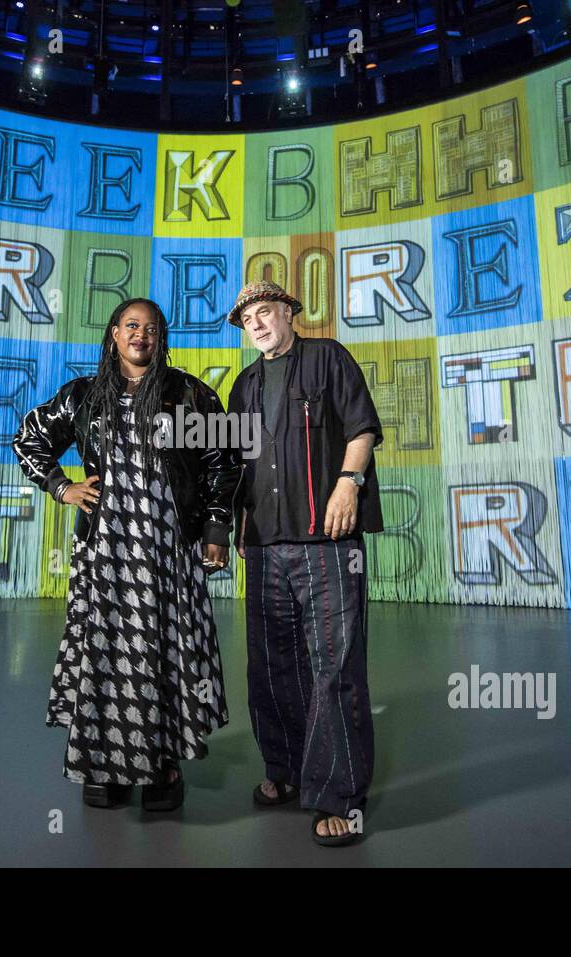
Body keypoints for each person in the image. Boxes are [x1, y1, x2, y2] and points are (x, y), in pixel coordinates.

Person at [12, 297, 240, 812]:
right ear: (114, 333)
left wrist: (216, 528)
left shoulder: (188, 396)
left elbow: (224, 463)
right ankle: (103, 766)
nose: (141, 335)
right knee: (106, 650)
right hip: (106, 548)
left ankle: (163, 768)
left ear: (161, 339)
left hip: (168, 548)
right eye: (131, 326)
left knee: (165, 651)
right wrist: (60, 486)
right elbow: (28, 439)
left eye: (152, 328)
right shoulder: (83, 397)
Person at [226, 279, 383, 847]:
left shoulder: (327, 358)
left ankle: (337, 794)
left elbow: (362, 427)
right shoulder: (242, 386)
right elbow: (239, 464)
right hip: (265, 545)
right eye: (249, 321)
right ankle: (285, 768)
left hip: (327, 541)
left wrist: (349, 484)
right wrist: (237, 525)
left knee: (333, 667)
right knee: (269, 667)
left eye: (266, 313)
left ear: (289, 313)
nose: (259, 325)